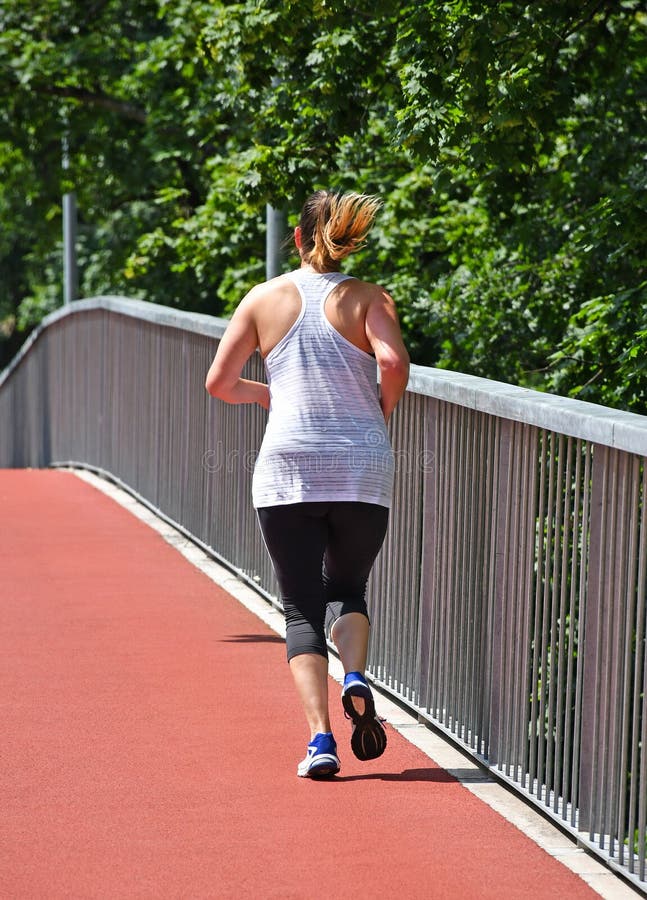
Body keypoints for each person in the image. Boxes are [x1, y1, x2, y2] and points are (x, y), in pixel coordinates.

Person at [205, 190, 410, 778]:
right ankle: (355, 673)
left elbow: (219, 381)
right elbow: (393, 365)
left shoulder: (263, 298)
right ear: (347, 241)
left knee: (300, 608)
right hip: (360, 466)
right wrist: (378, 411)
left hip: (288, 466)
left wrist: (269, 394)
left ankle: (321, 741)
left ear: (296, 239)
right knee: (348, 586)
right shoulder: (368, 298)